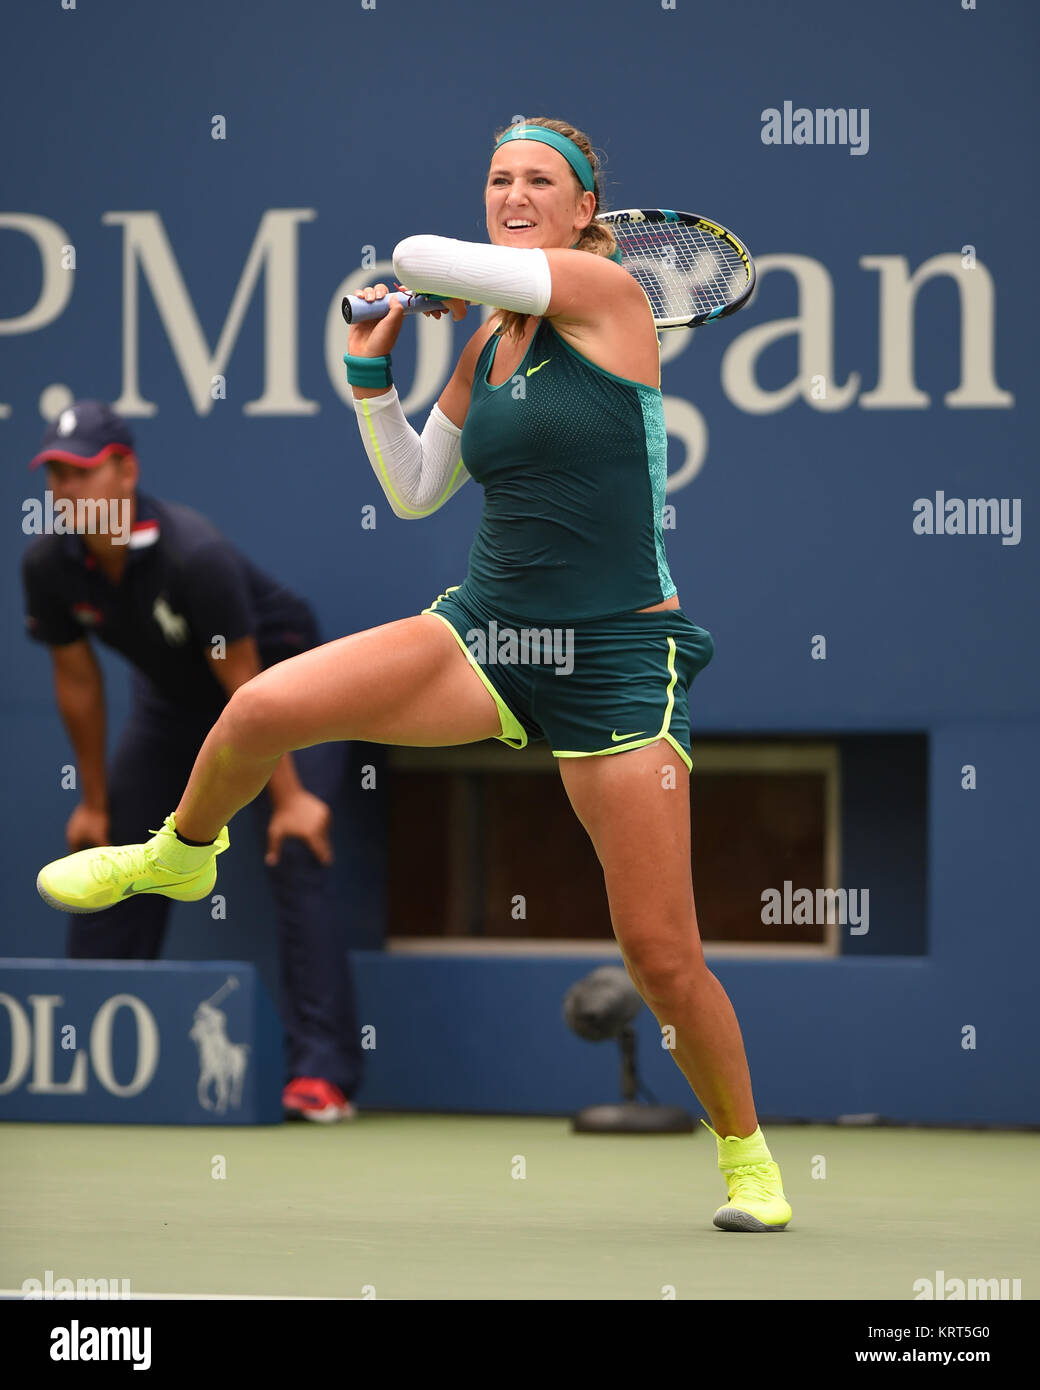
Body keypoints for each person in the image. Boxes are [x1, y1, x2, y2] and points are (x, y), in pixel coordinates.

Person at [35, 117, 792, 1230]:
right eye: (498, 177)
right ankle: (180, 855)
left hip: (617, 663)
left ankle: (746, 1158)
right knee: (259, 707)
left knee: (660, 957)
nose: (514, 190)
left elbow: (421, 253)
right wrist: (369, 373)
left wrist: (420, 278)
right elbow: (415, 485)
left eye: (540, 178)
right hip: (483, 633)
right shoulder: (487, 335)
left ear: (587, 213)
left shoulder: (608, 298)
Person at [22, 400, 362, 1122]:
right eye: (54, 476)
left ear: (125, 471)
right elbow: (78, 684)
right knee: (111, 852)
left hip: (292, 688)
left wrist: (291, 801)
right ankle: (81, 1058)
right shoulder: (50, 564)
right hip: (176, 709)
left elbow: (248, 689)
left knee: (296, 846)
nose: (65, 492)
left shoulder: (191, 555)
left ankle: (321, 1075)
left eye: (80, 473)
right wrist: (93, 801)